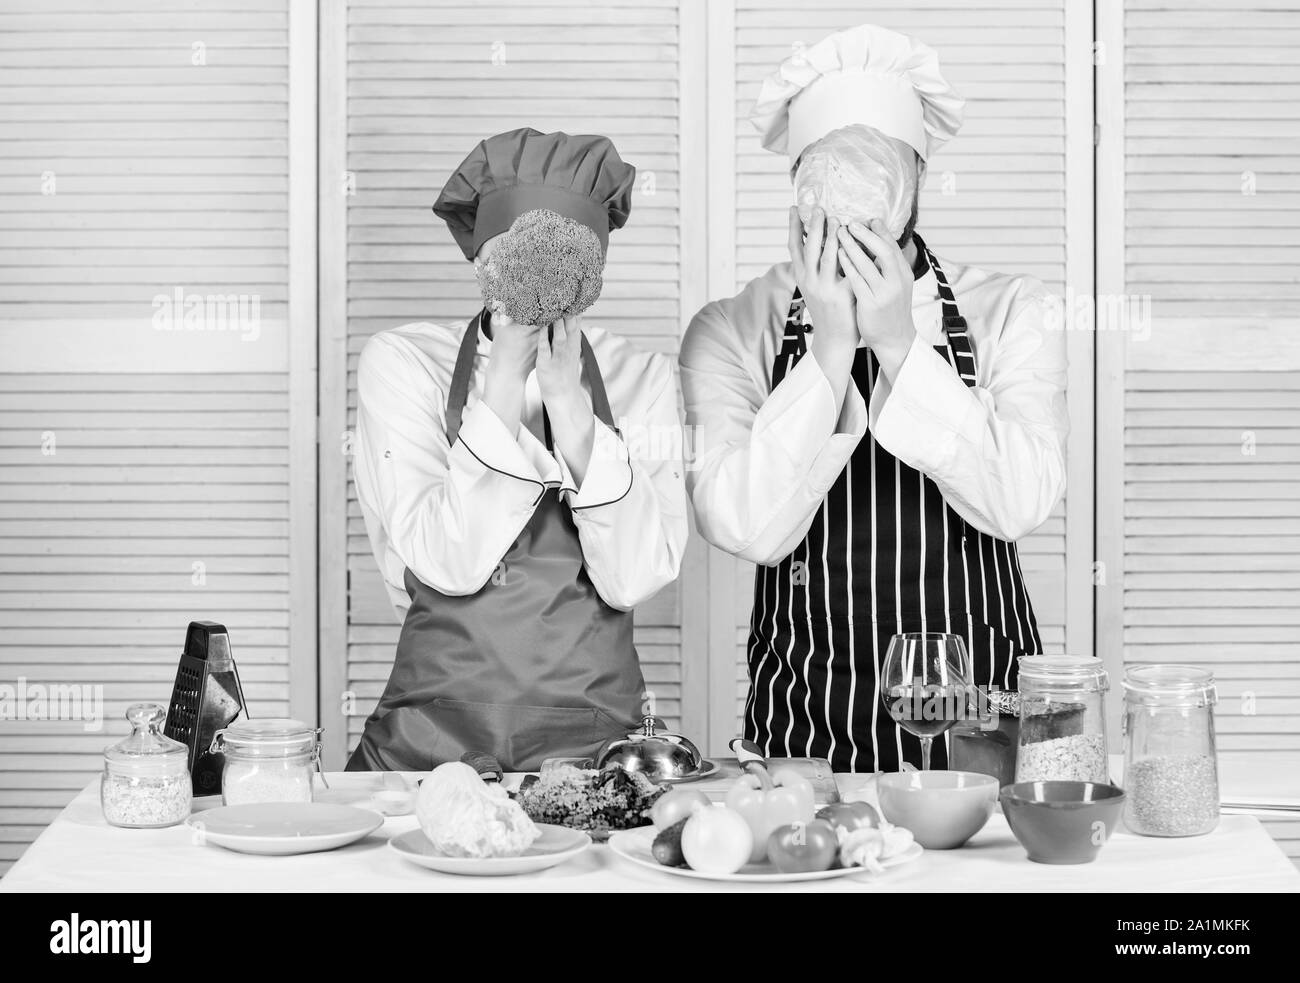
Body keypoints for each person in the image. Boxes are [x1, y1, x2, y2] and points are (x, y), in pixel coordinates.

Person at [680, 25, 1068, 772]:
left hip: (979, 742)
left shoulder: (1009, 309)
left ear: (917, 179)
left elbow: (1019, 499)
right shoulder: (731, 329)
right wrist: (829, 348)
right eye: (831, 177)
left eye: (879, 175)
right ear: (797, 184)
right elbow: (745, 524)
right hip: (804, 746)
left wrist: (896, 344)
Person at [348, 127, 688, 772]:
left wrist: (571, 409)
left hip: (600, 742)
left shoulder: (640, 373)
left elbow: (636, 578)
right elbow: (448, 566)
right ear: (482, 256)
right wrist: (503, 378)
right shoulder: (404, 360)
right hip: (429, 738)